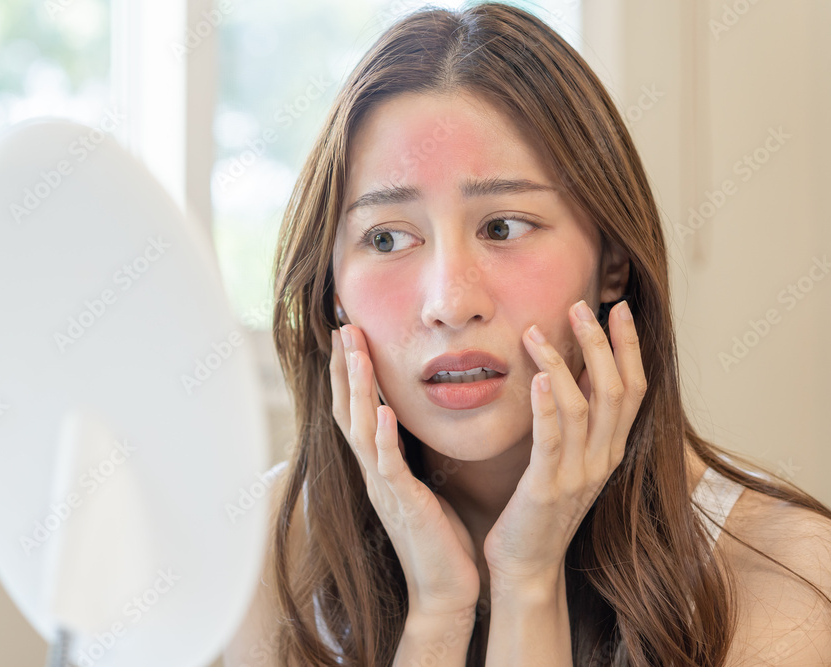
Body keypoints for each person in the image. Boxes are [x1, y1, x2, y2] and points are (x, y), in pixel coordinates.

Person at [223, 3, 831, 665]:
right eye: (389, 237)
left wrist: (527, 581)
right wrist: (439, 609)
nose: (450, 303)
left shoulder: (782, 574)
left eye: (504, 227)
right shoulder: (264, 550)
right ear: (333, 289)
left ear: (613, 264)